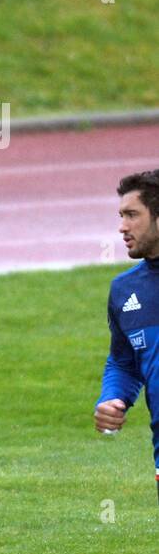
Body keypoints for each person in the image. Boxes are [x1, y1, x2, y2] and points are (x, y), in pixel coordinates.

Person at [94, 170, 159, 500]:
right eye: (121, 215)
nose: (122, 227)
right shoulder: (125, 290)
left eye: (132, 215)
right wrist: (112, 396)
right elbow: (125, 362)